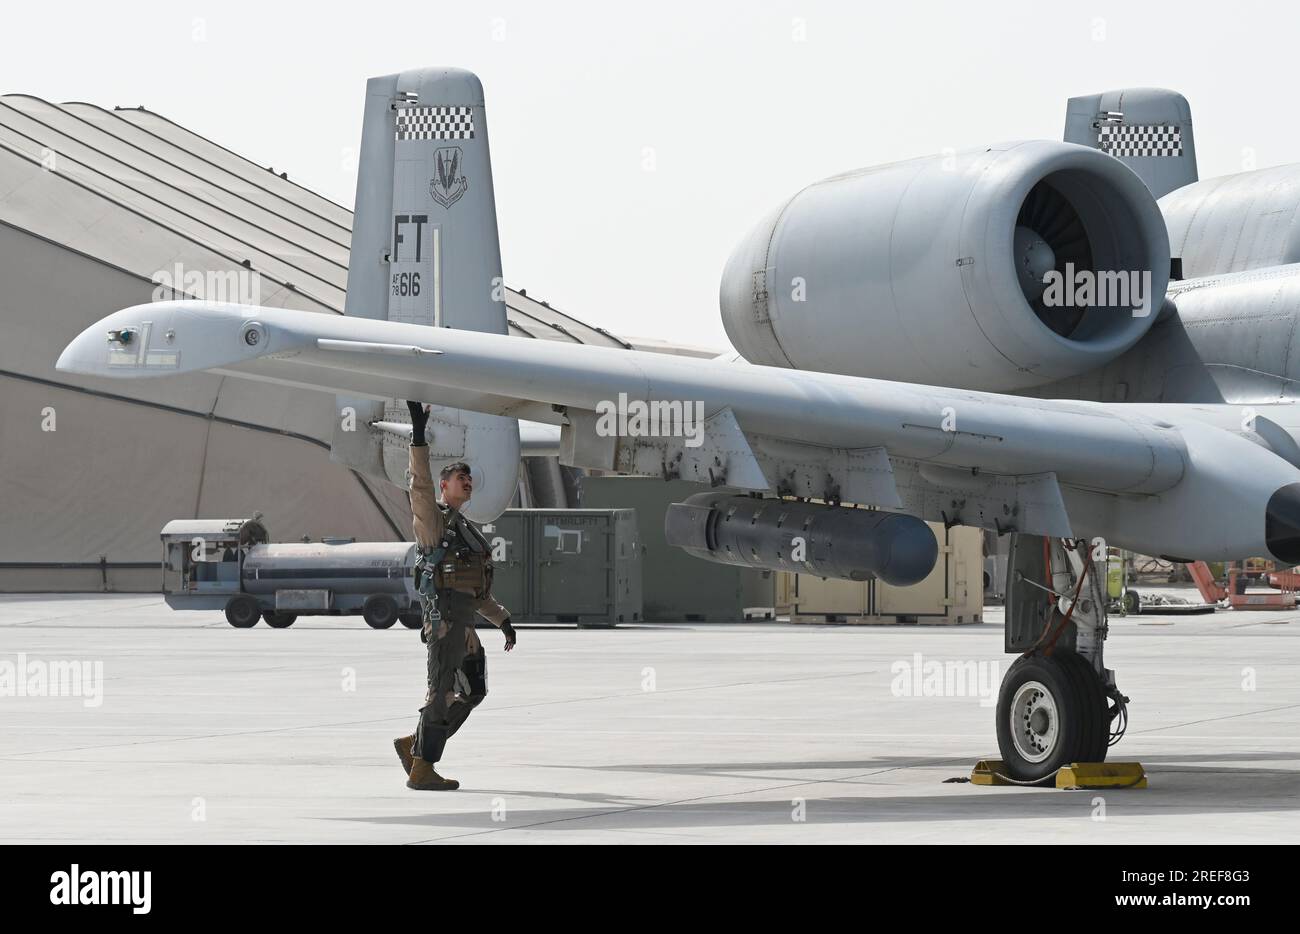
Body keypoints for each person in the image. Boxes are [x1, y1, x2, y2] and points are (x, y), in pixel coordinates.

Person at [393, 401, 517, 791]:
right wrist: (418, 436)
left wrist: (502, 620)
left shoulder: (467, 529)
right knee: (442, 691)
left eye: (468, 477)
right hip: (445, 620)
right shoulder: (433, 522)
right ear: (444, 486)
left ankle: (417, 743)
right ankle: (423, 768)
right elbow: (419, 485)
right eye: (459, 477)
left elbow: (473, 585)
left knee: (474, 690)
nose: (467, 481)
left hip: (465, 621)